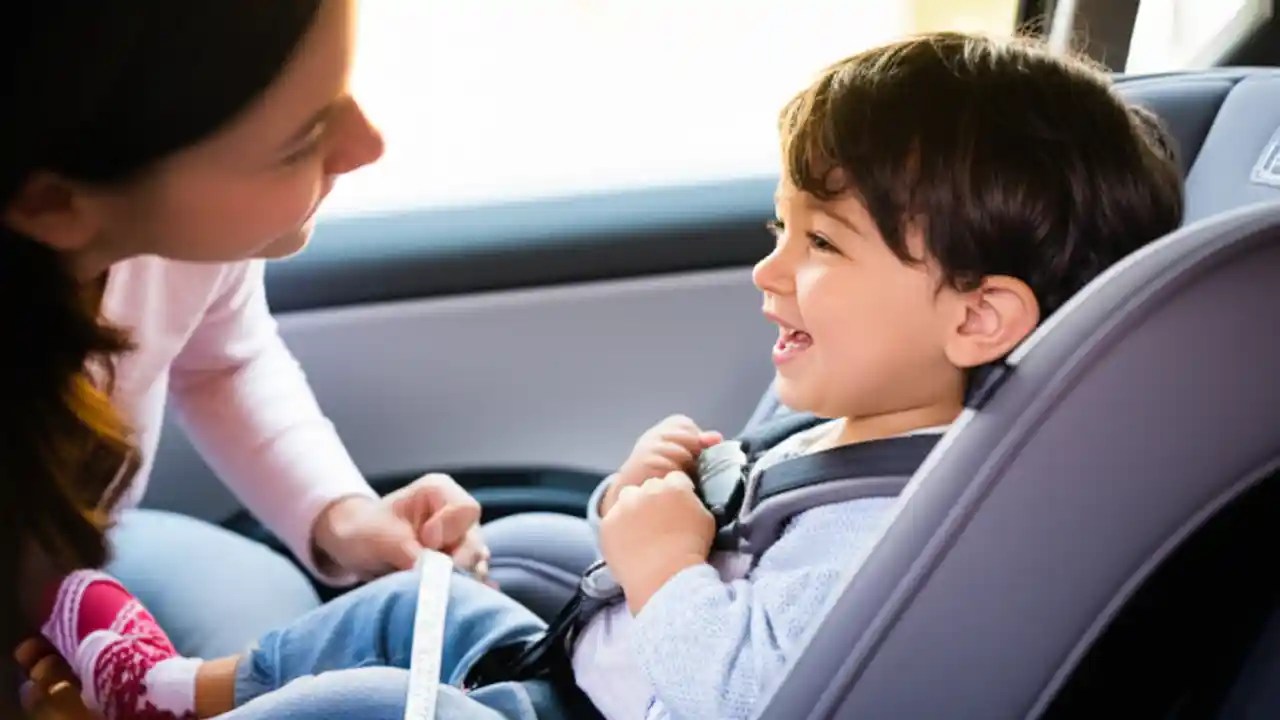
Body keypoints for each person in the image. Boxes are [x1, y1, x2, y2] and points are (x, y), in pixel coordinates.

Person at [20, 30, 1186, 720]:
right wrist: (641, 512)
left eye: (817, 244)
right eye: (777, 227)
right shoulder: (838, 430)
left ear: (978, 317)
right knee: (408, 605)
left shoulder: (903, 526)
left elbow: (742, 693)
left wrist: (670, 569)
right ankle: (173, 689)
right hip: (578, 672)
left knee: (379, 703)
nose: (766, 270)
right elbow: (676, 574)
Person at [2, 0, 496, 669]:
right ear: (52, 203)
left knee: (278, 619)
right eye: (301, 139)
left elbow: (224, 365)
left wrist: (344, 516)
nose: (369, 144)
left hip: (84, 560)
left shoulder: (172, 242)